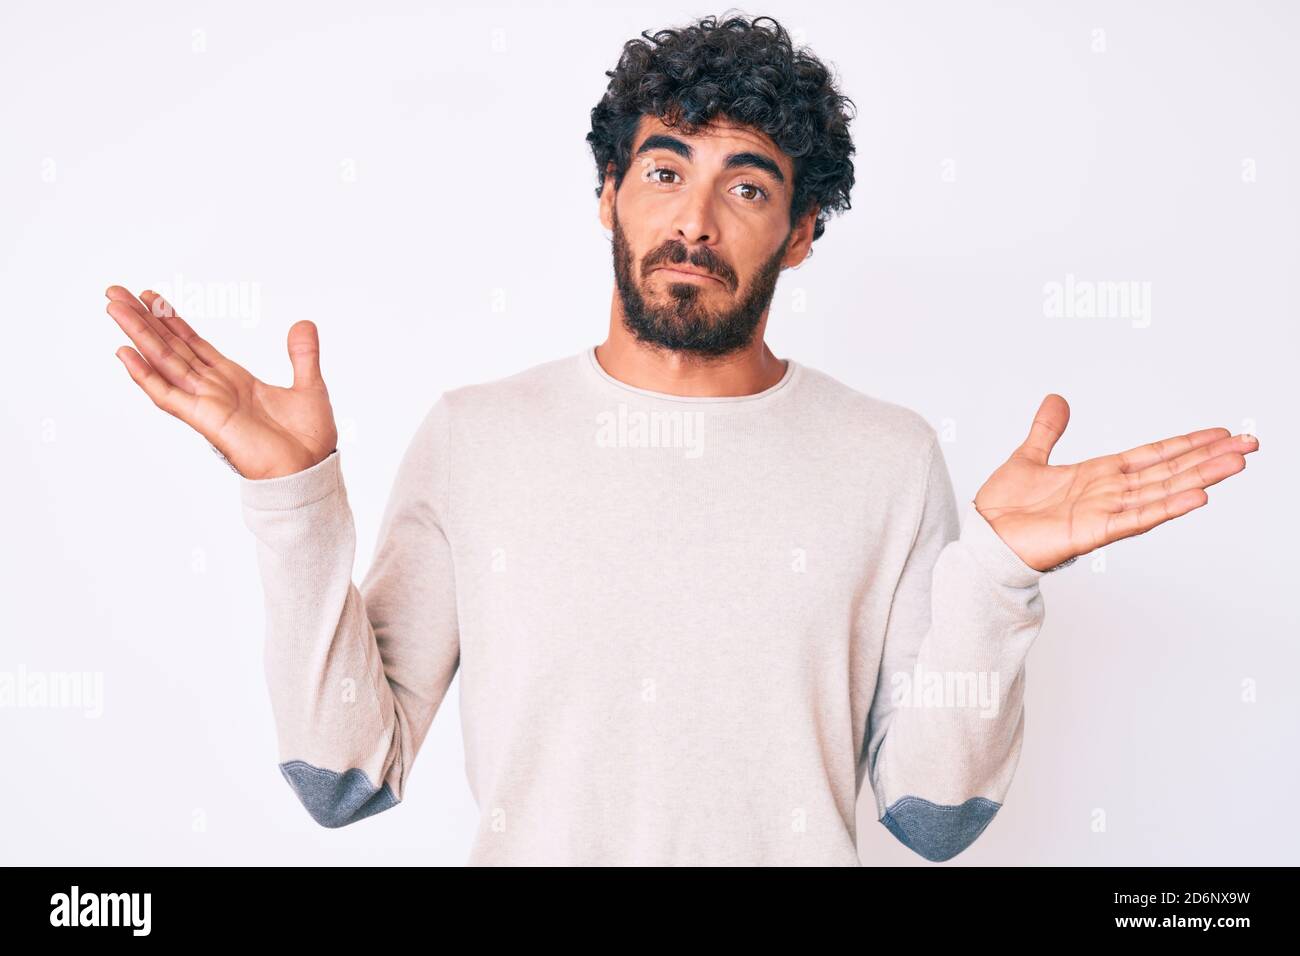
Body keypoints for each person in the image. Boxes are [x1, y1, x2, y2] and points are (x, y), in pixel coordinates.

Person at [103, 14, 1257, 866]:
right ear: (609, 191)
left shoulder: (888, 458)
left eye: (747, 189)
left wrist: (996, 575)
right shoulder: (477, 437)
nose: (694, 221)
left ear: (801, 234)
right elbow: (342, 775)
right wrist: (293, 498)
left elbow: (931, 812)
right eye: (664, 171)